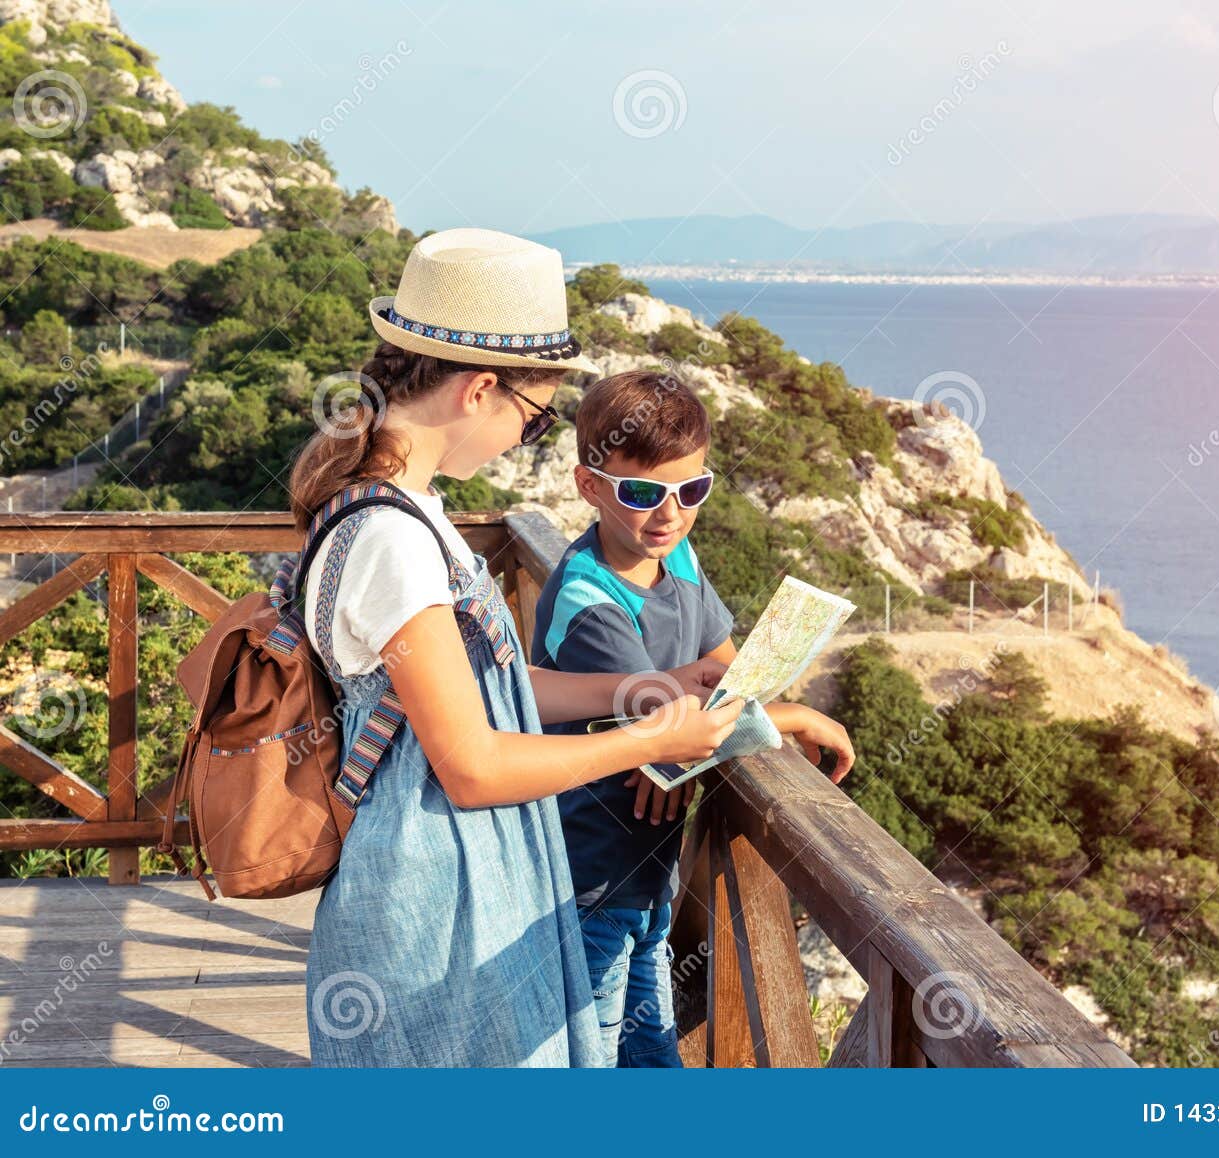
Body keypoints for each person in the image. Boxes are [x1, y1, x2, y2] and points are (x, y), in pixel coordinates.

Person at [291, 229, 743, 1067]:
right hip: (437, 901)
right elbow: (472, 766)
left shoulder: (397, 509)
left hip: (448, 880)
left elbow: (487, 689)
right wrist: (649, 740)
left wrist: (646, 689)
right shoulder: (394, 540)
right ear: (479, 391)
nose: (520, 441)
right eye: (533, 422)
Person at [532, 369, 855, 1067]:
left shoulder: (675, 554)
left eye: (692, 490)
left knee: (642, 1049)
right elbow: (684, 720)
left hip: (650, 870)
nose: (670, 514)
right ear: (589, 486)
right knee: (595, 1056)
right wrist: (792, 716)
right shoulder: (588, 602)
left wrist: (683, 744)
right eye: (642, 493)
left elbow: (722, 674)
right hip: (588, 876)